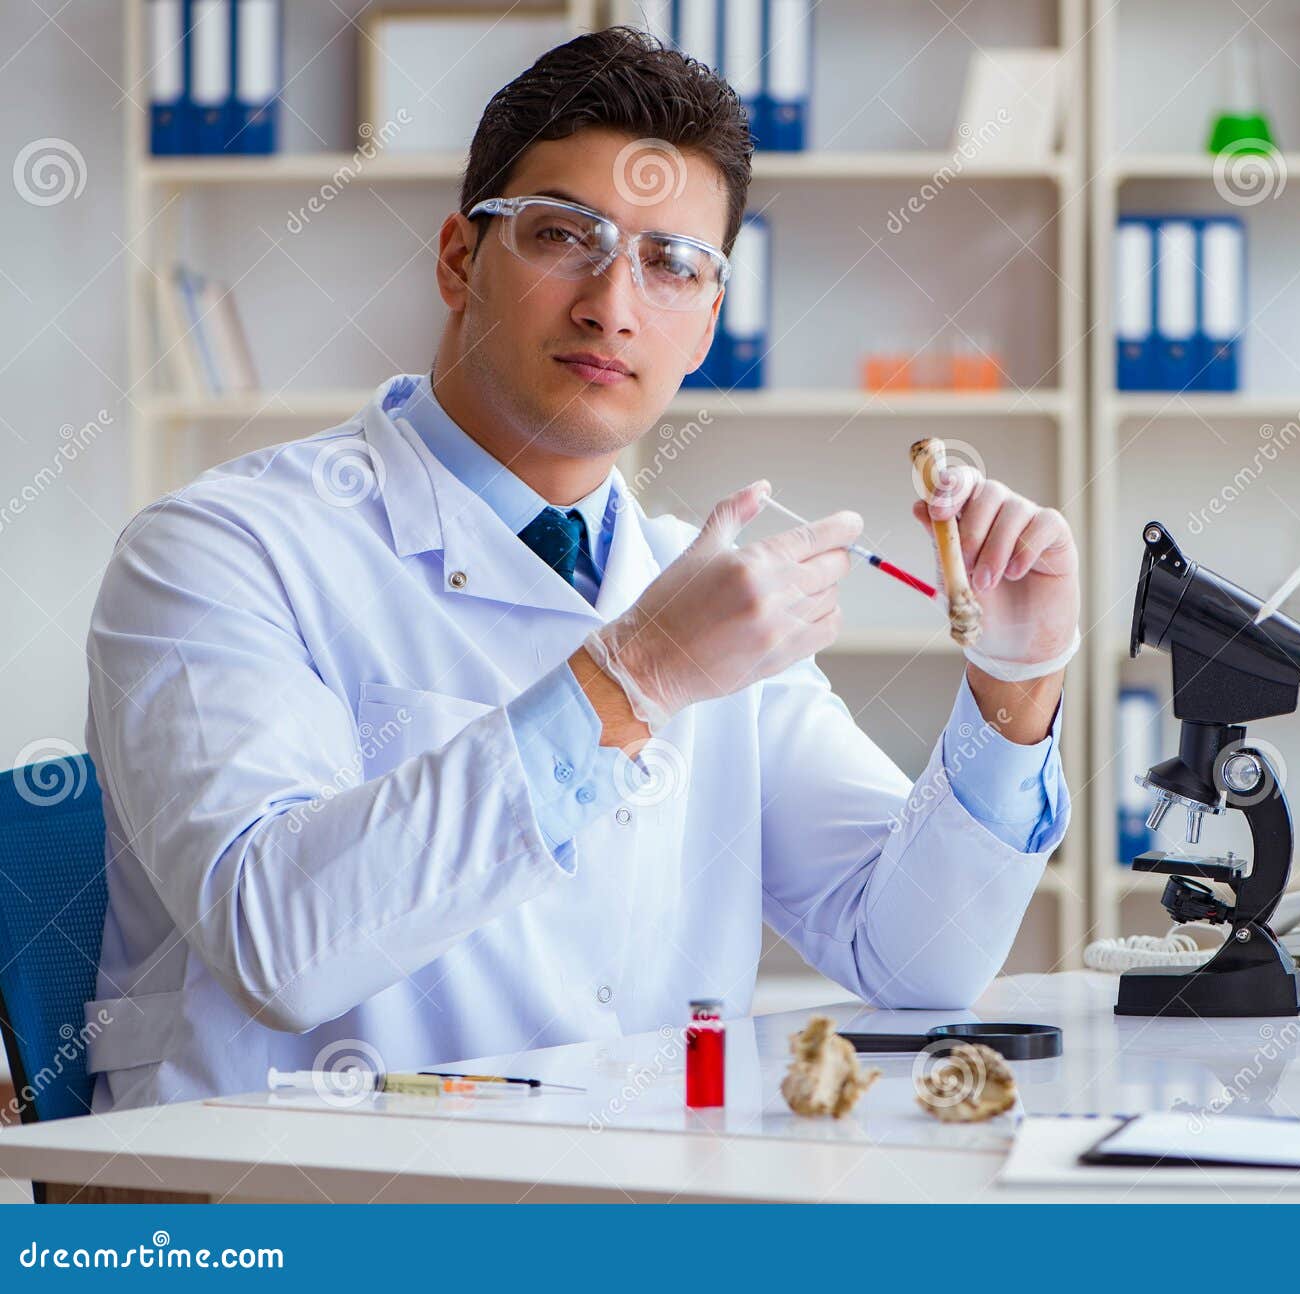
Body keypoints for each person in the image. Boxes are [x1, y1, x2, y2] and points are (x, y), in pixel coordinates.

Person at [83, 27, 1080, 1110]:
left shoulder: (685, 581)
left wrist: (1015, 692)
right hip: (298, 1209)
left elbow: (912, 957)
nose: (614, 303)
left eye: (672, 264)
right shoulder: (220, 550)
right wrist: (634, 675)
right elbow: (278, 943)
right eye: (566, 236)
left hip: (626, 1195)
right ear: (460, 259)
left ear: (705, 324)